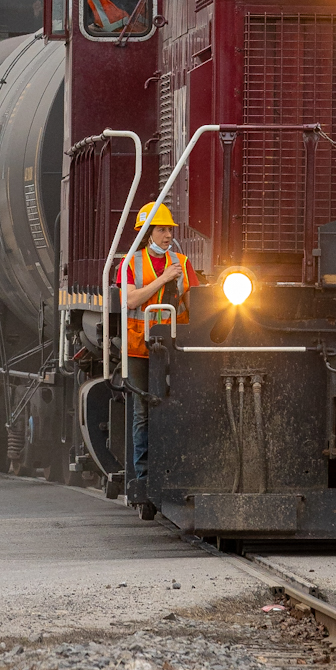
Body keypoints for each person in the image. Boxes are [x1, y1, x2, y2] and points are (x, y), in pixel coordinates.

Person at [120, 202, 199, 505]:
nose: (168, 235)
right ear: (147, 233)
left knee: (176, 409)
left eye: (170, 230)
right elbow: (130, 300)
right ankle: (143, 482)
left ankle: (176, 474)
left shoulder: (182, 262)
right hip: (140, 349)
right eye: (162, 229)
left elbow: (194, 304)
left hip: (173, 348)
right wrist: (164, 279)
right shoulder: (130, 263)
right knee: (143, 413)